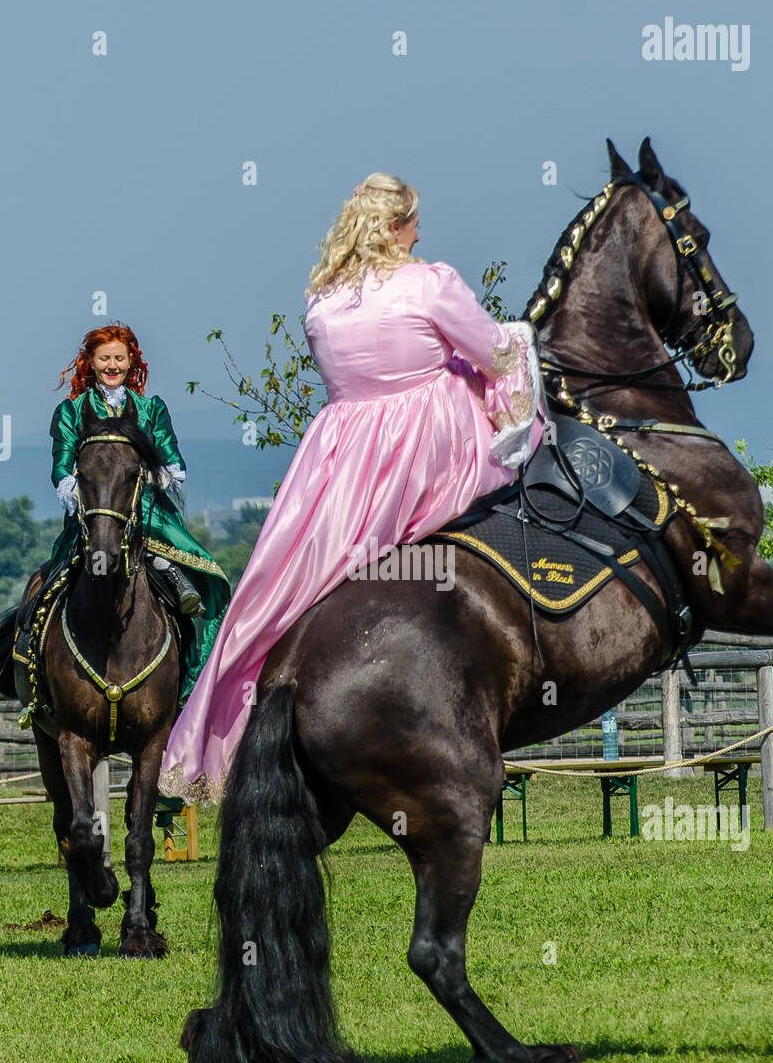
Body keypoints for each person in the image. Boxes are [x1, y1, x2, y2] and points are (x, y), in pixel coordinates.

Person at [160, 172, 542, 802]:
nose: (422, 233)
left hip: (339, 457)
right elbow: (493, 353)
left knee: (279, 586)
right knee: (522, 395)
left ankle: (228, 709)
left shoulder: (323, 298)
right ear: (395, 227)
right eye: (415, 221)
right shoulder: (430, 283)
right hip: (427, 443)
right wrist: (516, 344)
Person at [40, 323, 230, 700]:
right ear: (91, 363)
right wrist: (71, 487)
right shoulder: (72, 411)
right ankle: (31, 649)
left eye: (119, 359)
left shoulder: (151, 408)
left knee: (187, 570)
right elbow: (62, 462)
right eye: (104, 358)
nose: (112, 365)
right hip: (93, 510)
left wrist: (164, 472)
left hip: (144, 508)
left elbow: (172, 458)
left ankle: (187, 666)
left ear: (131, 363)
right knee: (48, 586)